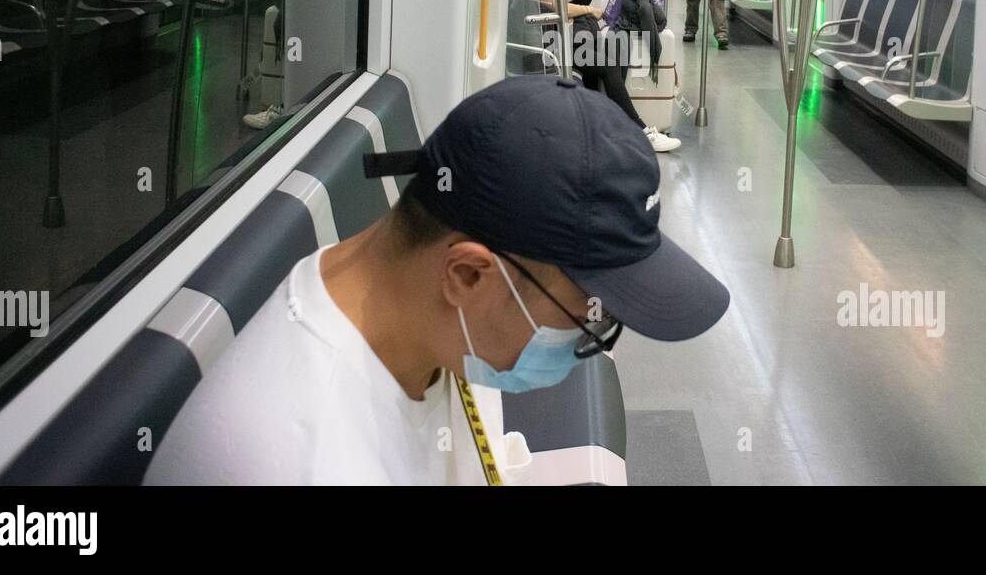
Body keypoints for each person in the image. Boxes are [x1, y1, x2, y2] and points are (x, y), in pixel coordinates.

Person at [145, 75, 729, 484]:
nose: (588, 340)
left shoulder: (416, 323)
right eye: (588, 314)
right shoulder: (301, 460)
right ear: (469, 274)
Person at [569, 0, 680, 152]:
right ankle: (641, 131)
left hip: (571, 32)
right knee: (608, 66)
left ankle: (599, 124)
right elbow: (554, 2)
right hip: (565, 40)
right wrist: (587, 9)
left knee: (600, 44)